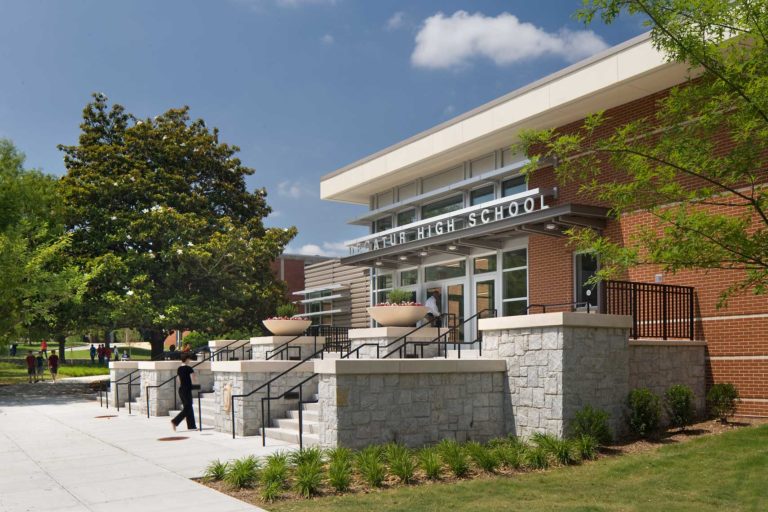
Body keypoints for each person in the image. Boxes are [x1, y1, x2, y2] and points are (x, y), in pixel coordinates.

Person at [171, 352, 197, 431]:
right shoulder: (189, 368)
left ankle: (191, 426)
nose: (189, 360)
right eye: (189, 359)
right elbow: (194, 379)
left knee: (188, 407)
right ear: (187, 359)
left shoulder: (179, 369)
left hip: (181, 390)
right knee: (188, 407)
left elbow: (179, 380)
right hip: (187, 390)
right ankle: (175, 421)